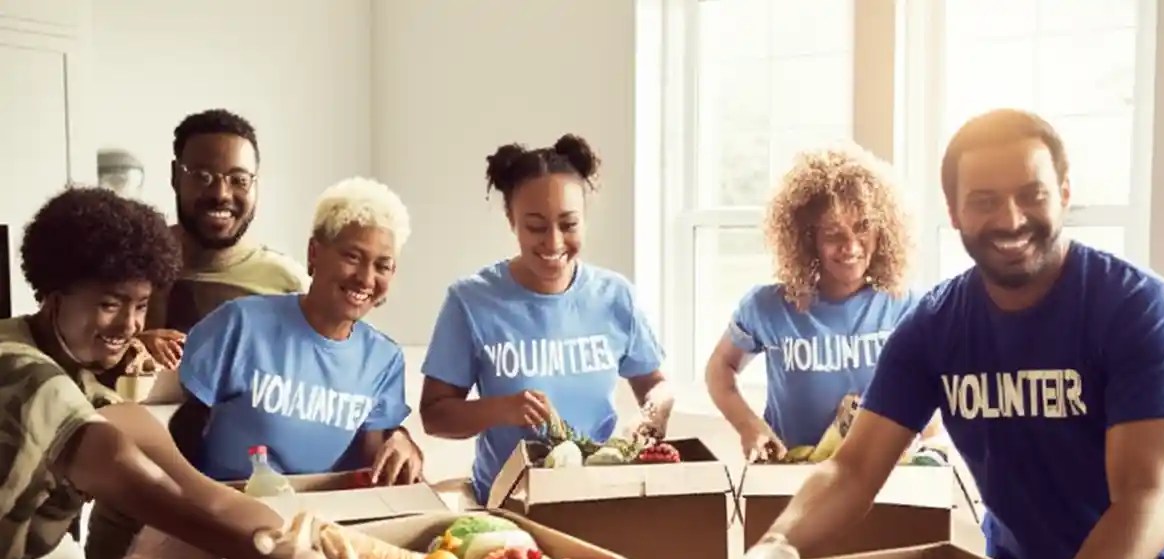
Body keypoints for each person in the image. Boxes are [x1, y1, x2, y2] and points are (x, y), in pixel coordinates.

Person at [714, 109, 1164, 559]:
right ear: (954, 211)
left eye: (1032, 194)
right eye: (984, 200)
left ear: (1065, 193)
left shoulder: (1135, 307)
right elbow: (854, 469)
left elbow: (1147, 494)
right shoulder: (934, 326)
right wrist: (777, 545)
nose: (1011, 219)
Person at [0, 186, 337, 559]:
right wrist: (269, 557)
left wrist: (295, 542)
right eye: (110, 304)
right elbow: (128, 476)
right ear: (54, 295)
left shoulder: (84, 383)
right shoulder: (18, 367)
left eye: (140, 306)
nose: (129, 325)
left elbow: (197, 491)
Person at [419, 134, 672, 506]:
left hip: (599, 498)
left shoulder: (615, 296)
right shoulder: (471, 301)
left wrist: (651, 415)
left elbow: (657, 385)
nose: (553, 243)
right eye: (536, 226)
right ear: (511, 220)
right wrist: (501, 409)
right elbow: (434, 416)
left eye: (568, 224)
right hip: (507, 507)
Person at [170, 176, 422, 483]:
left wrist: (401, 442)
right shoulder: (239, 324)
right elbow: (178, 431)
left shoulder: (384, 359)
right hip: (227, 508)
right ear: (314, 253)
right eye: (352, 257)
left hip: (321, 518)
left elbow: (372, 463)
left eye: (383, 266)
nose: (366, 279)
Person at [704, 145, 938, 461]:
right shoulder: (768, 307)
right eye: (833, 234)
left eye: (862, 228)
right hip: (788, 481)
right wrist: (750, 428)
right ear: (807, 238)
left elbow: (933, 390)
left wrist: (924, 442)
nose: (851, 246)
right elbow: (721, 367)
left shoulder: (906, 306)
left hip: (881, 481)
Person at [132, 109, 308, 371]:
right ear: (175, 177)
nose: (221, 194)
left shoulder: (289, 285)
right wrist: (132, 346)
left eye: (239, 180)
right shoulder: (130, 261)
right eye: (203, 177)